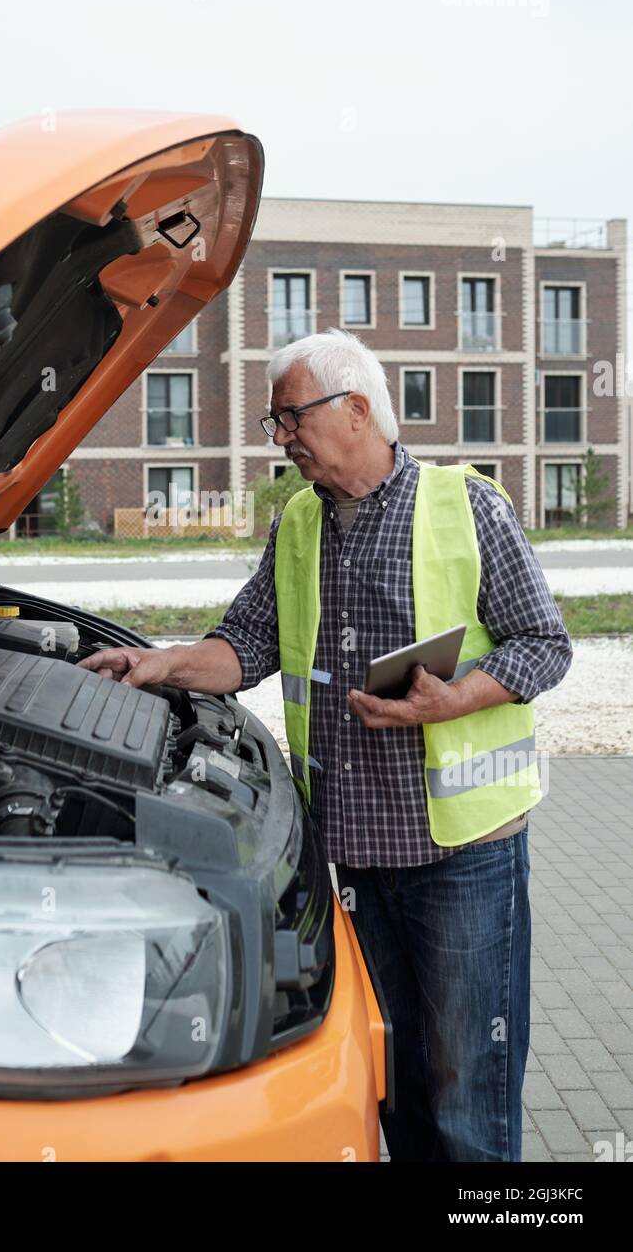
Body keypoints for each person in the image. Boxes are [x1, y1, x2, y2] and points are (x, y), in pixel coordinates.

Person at [78, 327, 573, 1162]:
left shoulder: (467, 505)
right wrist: (158, 661)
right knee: (398, 1077)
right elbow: (248, 643)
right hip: (357, 860)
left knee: (468, 1089)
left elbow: (544, 645)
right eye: (275, 423)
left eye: (289, 417)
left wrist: (452, 702)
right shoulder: (301, 524)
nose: (280, 440)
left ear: (355, 409)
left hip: (463, 858)